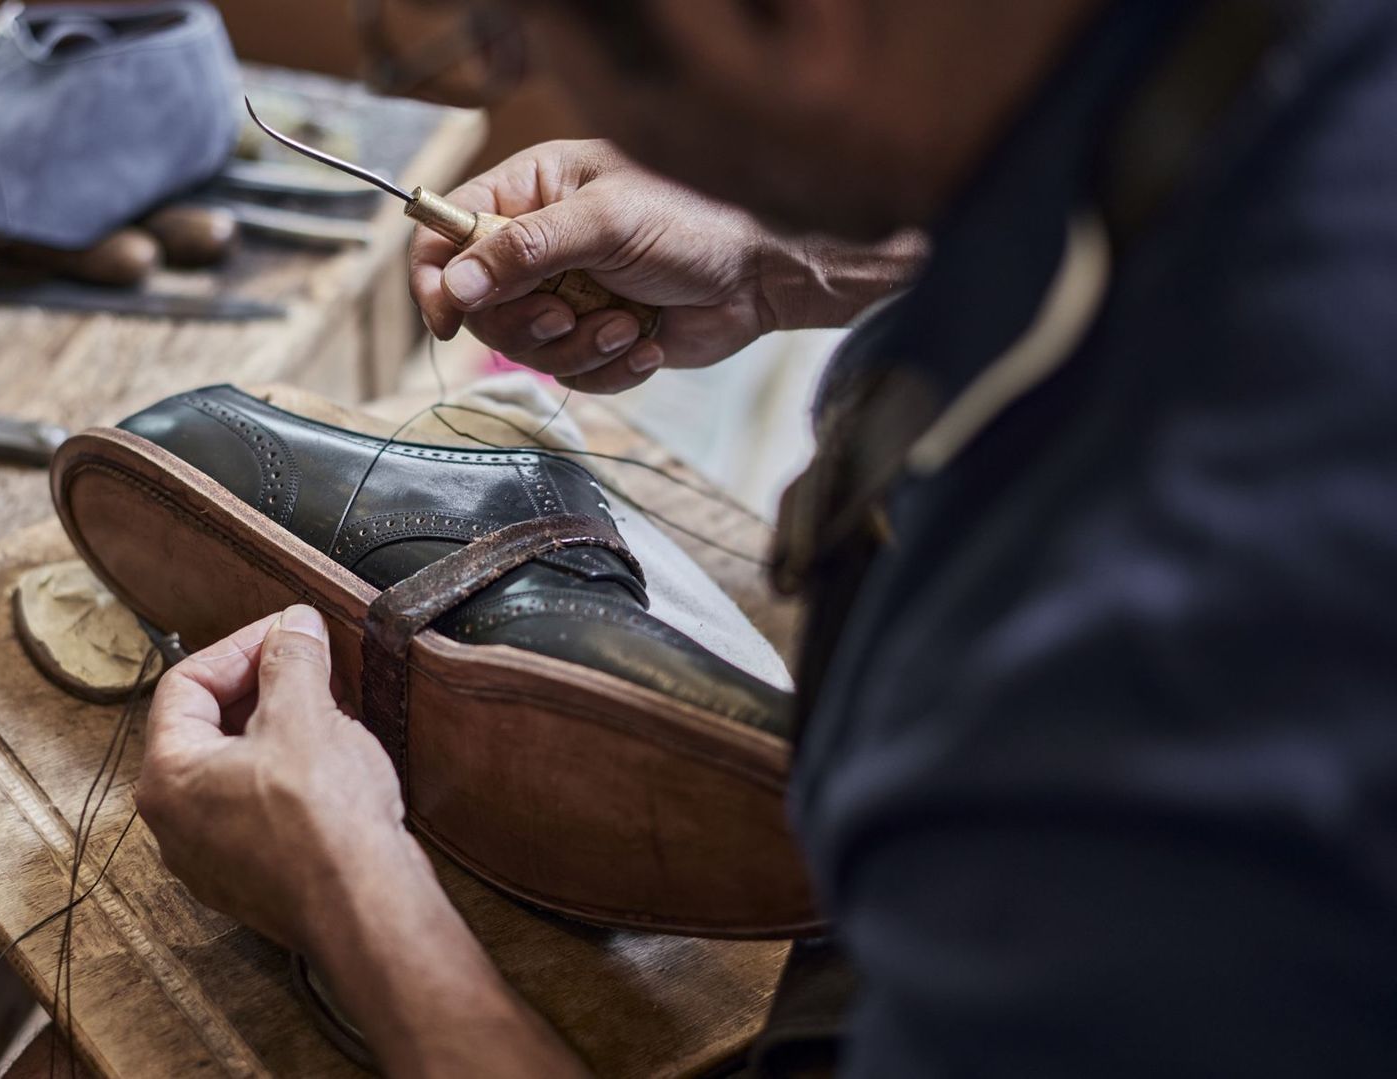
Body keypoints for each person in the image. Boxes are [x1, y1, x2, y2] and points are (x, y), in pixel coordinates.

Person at [135, 0, 1397, 1074]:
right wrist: (782, 257)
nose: (542, 85)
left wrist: (354, 895)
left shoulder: (1128, 680)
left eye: (515, 36)